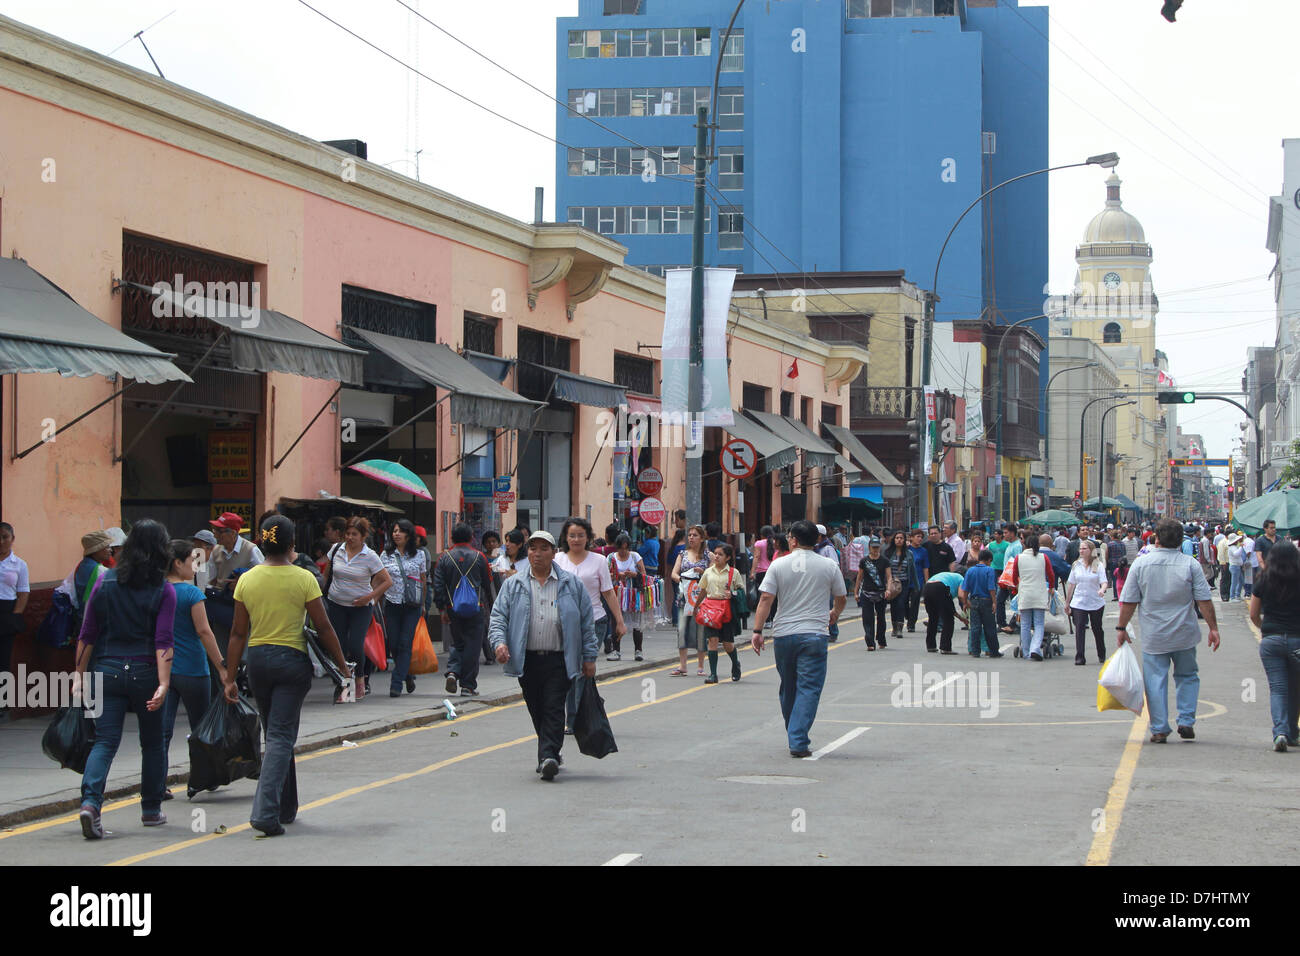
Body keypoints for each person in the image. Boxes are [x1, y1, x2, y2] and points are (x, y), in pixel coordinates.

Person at [226, 516, 350, 835]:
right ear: (293, 545)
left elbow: (238, 634)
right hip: (291, 662)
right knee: (281, 736)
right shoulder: (304, 578)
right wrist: (343, 666)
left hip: (257, 662)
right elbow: (323, 627)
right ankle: (265, 813)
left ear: (261, 543)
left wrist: (228, 677)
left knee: (277, 733)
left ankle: (285, 806)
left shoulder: (247, 580)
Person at [73, 520, 175, 839]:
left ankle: (91, 804)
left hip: (106, 670)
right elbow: (163, 640)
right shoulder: (164, 589)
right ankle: (151, 809)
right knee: (153, 742)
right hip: (146, 671)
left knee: (104, 742)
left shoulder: (106, 583)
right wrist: (163, 683)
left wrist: (77, 676)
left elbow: (87, 634)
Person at [489, 530, 597, 780]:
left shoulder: (571, 584)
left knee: (553, 706)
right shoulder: (514, 584)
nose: (537, 554)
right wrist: (499, 644)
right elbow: (498, 618)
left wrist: (589, 657)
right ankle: (551, 751)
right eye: (533, 549)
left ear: (554, 553)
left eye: (543, 549)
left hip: (560, 658)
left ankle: (547, 756)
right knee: (536, 706)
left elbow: (586, 623)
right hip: (527, 659)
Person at [749, 520, 846, 758]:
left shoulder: (778, 565)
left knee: (789, 687)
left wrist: (757, 631)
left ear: (792, 540)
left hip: (784, 635)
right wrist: (834, 614)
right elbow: (841, 597)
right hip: (815, 634)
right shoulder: (829, 565)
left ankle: (794, 733)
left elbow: (765, 599)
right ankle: (798, 738)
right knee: (809, 688)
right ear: (817, 540)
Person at [1117, 518, 1220, 743]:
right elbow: (1204, 600)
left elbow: (1129, 601)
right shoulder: (1190, 564)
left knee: (1155, 680)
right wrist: (1213, 628)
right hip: (1184, 633)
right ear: (1180, 539)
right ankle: (1186, 720)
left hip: (1155, 635)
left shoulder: (1141, 564)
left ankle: (1159, 727)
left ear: (1156, 537)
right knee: (1188, 676)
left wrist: (1121, 627)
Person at [161, 540, 226, 783]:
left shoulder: (158, 593)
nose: (194, 564)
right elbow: (204, 632)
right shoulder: (192, 593)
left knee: (162, 731)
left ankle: (157, 783)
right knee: (201, 727)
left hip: (165, 670)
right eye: (191, 559)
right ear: (178, 563)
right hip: (193, 670)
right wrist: (221, 665)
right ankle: (203, 777)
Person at [555, 518, 625, 726]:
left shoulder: (599, 561)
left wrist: (619, 622)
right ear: (566, 538)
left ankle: (574, 718)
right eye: (572, 535)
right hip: (564, 622)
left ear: (588, 537)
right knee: (570, 671)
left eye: (580, 535)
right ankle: (584, 709)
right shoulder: (557, 559)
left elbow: (609, 593)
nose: (576, 539)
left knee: (584, 668)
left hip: (594, 621)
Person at [322, 516, 391, 700]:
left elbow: (387, 581)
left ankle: (360, 678)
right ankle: (344, 687)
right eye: (348, 533)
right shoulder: (336, 550)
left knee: (355, 645)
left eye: (355, 534)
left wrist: (369, 597)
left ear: (363, 536)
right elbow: (326, 574)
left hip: (361, 608)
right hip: (336, 604)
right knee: (340, 646)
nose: (350, 537)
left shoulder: (370, 556)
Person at [1249, 541, 1300, 751]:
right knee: (1296, 689)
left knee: (1278, 689)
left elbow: (1253, 613)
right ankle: (1292, 732)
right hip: (1297, 639)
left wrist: (1266, 629)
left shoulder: (1264, 579)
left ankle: (1279, 731)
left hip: (1271, 640)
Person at [433, 522, 493, 698]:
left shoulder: (444, 558)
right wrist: (491, 605)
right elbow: (487, 584)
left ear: (451, 538)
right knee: (473, 646)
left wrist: (442, 609)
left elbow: (438, 585)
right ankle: (467, 685)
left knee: (457, 642)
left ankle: (452, 672)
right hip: (476, 608)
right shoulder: (479, 557)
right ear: (471, 538)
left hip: (453, 608)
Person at [380, 519, 428, 697]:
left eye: (400, 531)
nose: (396, 534)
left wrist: (423, 603)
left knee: (405, 643)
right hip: (392, 603)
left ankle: (396, 683)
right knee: (393, 643)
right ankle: (406, 673)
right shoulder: (386, 554)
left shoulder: (420, 555)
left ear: (408, 534)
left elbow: (423, 580)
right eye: (394, 531)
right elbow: (379, 577)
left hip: (412, 605)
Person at [690, 543, 745, 683]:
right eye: (715, 553)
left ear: (727, 557)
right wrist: (696, 607)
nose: (716, 556)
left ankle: (735, 663)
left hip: (726, 610)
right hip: (710, 609)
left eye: (720, 554)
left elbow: (741, 592)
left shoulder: (734, 573)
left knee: (727, 644)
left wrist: (731, 593)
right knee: (712, 640)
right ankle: (713, 674)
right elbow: (703, 590)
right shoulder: (708, 572)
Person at [670, 525, 710, 676]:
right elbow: (674, 573)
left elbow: (714, 575)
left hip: (700, 598)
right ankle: (683, 665)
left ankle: (700, 666)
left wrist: (703, 573)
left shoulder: (708, 556)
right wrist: (683, 579)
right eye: (690, 535)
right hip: (684, 596)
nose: (691, 538)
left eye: (695, 535)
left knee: (700, 631)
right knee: (682, 630)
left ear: (702, 538)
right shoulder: (682, 554)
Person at [1011, 531, 1056, 661]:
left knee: (1025, 624)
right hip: (1039, 593)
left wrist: (1017, 587)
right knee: (1039, 624)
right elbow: (1051, 575)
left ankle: (1026, 652)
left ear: (1025, 544)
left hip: (1025, 593)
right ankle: (1035, 648)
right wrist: (1051, 587)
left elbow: (1014, 577)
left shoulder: (1019, 558)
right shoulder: (1043, 557)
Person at [1066, 539, 1108, 666]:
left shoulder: (1097, 564)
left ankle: (1101, 653)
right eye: (1080, 549)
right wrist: (1067, 602)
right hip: (1079, 601)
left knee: (1097, 628)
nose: (1081, 551)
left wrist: (1102, 589)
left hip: (1095, 602)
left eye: (1084, 548)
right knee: (1079, 627)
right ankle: (1080, 656)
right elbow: (1071, 584)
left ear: (1091, 551)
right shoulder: (1076, 565)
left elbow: (1104, 581)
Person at [608, 533, 646, 661]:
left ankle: (638, 650)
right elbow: (607, 575)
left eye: (626, 548)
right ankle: (616, 650)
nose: (623, 551)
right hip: (616, 594)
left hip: (633, 594)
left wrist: (634, 574)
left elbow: (644, 575)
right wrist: (618, 575)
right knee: (616, 622)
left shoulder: (635, 557)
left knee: (636, 623)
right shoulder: (611, 558)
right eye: (621, 548)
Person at [959, 550, 1000, 658]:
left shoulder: (970, 570)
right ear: (989, 560)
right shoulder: (990, 570)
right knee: (990, 627)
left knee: (975, 627)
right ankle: (993, 651)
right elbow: (991, 588)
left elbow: (965, 589)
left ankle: (975, 651)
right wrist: (994, 602)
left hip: (974, 601)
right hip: (986, 600)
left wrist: (965, 602)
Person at [853, 537, 891, 651]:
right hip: (866, 592)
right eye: (873, 547)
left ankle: (881, 639)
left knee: (881, 618)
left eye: (877, 547)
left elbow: (889, 577)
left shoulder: (885, 561)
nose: (875, 549)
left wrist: (888, 589)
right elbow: (859, 578)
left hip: (881, 593)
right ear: (869, 548)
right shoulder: (864, 561)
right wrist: (856, 593)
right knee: (867, 618)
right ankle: (870, 642)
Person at [923, 569, 966, 655]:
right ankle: (945, 647)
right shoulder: (961, 579)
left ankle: (931, 645)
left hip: (927, 587)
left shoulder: (949, 576)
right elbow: (961, 596)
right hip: (940, 587)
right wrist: (967, 605)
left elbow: (949, 605)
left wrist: (960, 617)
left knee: (933, 618)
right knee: (948, 619)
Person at [883, 530, 915, 641]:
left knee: (901, 603)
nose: (899, 540)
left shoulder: (909, 554)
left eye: (901, 538)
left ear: (904, 540)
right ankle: (894, 627)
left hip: (904, 582)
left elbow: (913, 570)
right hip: (892, 583)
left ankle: (900, 628)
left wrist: (917, 586)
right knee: (894, 605)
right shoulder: (888, 553)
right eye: (897, 538)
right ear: (894, 539)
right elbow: (884, 569)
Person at [998, 524, 1024, 633]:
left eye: (1006, 533)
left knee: (1015, 602)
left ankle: (1014, 624)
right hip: (1006, 578)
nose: (1004, 535)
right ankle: (1002, 623)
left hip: (1012, 580)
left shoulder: (1017, 546)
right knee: (1000, 600)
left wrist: (1015, 580)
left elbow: (1017, 563)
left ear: (1013, 533)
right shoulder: (1010, 545)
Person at [906, 529, 929, 634]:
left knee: (915, 603)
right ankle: (907, 616)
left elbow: (925, 567)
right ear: (911, 537)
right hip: (905, 580)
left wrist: (927, 581)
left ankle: (911, 624)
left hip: (918, 581)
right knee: (904, 602)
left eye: (921, 537)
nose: (919, 539)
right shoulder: (906, 549)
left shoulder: (923, 551)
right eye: (917, 536)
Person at [1227, 534, 1245, 601]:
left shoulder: (1234, 547)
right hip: (1235, 566)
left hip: (1237, 566)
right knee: (1234, 582)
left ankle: (1237, 595)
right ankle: (1232, 597)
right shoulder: (1232, 548)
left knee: (1241, 581)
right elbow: (1236, 554)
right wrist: (1241, 547)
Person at [1217, 529, 1233, 602]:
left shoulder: (1230, 542)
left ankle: (1228, 594)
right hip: (1225, 563)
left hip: (1230, 562)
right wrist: (1223, 563)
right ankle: (1224, 595)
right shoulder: (1222, 542)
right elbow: (1221, 554)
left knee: (1229, 579)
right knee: (1224, 579)